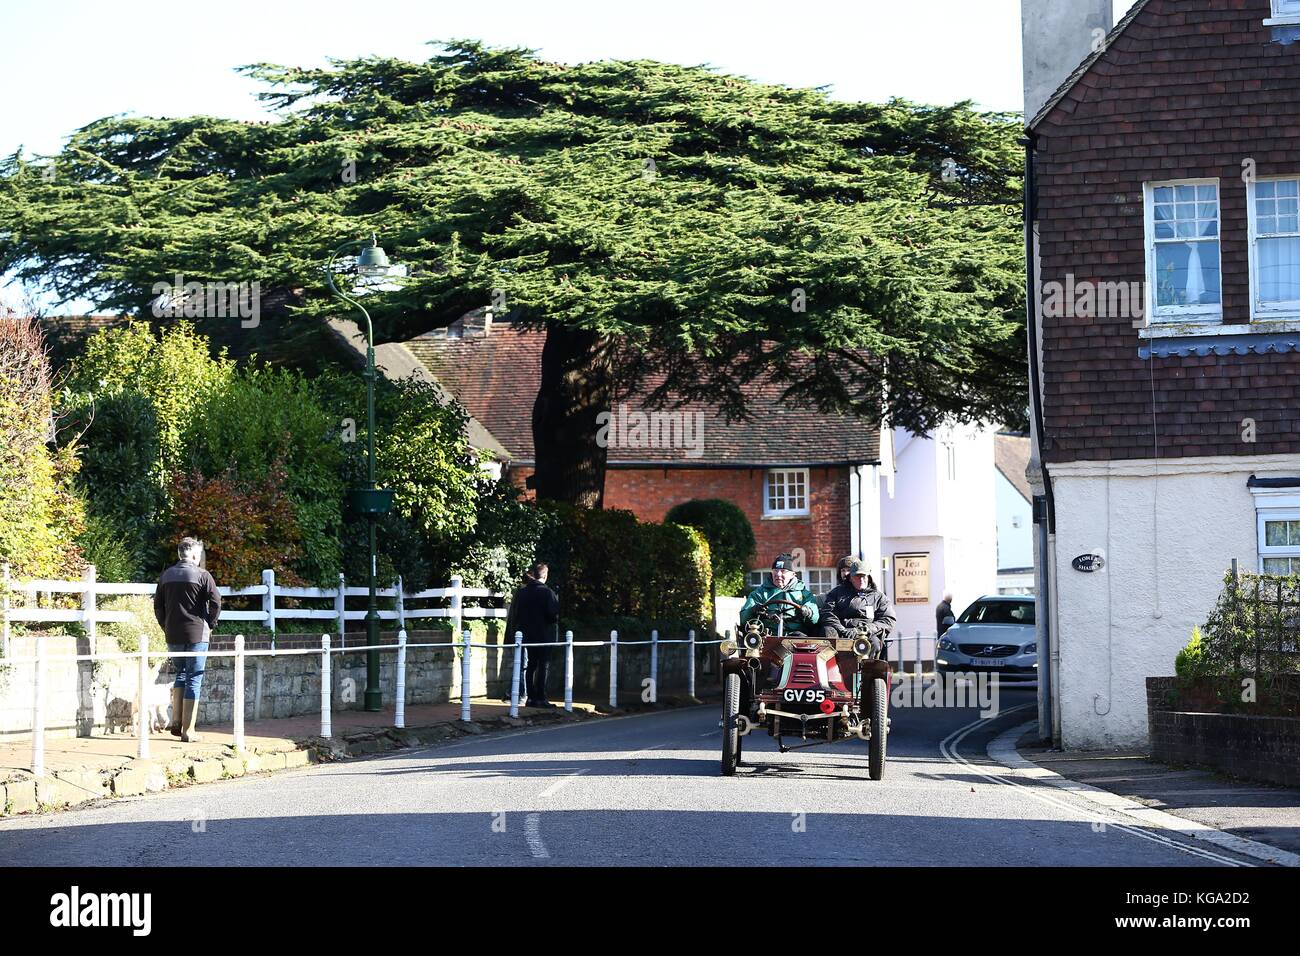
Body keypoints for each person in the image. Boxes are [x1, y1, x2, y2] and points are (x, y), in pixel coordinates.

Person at [153, 537, 221, 742]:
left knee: (180, 674)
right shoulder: (202, 575)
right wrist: (211, 622)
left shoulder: (166, 575)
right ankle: (188, 731)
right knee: (194, 677)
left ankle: (176, 722)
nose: (199, 558)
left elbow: (157, 606)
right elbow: (216, 601)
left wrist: (166, 625)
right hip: (197, 633)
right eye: (198, 555)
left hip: (173, 634)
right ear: (193, 555)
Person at [507, 561, 560, 708]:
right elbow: (553, 615)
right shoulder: (548, 592)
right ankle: (541, 698)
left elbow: (516, 614)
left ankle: (530, 697)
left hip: (527, 635)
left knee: (531, 665)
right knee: (543, 665)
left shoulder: (522, 593)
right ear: (545, 575)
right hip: (543, 635)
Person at [822, 559, 896, 657]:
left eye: (863, 576)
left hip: (867, 633)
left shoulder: (879, 597)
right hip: (841, 632)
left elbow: (888, 619)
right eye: (857, 576)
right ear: (850, 578)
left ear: (868, 577)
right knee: (828, 635)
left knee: (874, 644)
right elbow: (828, 614)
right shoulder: (836, 593)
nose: (861, 580)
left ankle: (867, 671)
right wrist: (842, 630)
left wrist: (865, 629)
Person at [739, 553, 819, 635]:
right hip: (767, 636)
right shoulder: (759, 594)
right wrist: (753, 610)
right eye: (775, 570)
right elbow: (743, 620)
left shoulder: (804, 594)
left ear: (792, 574)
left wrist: (807, 612)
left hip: (796, 637)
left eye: (783, 571)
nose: (778, 574)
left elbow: (815, 619)